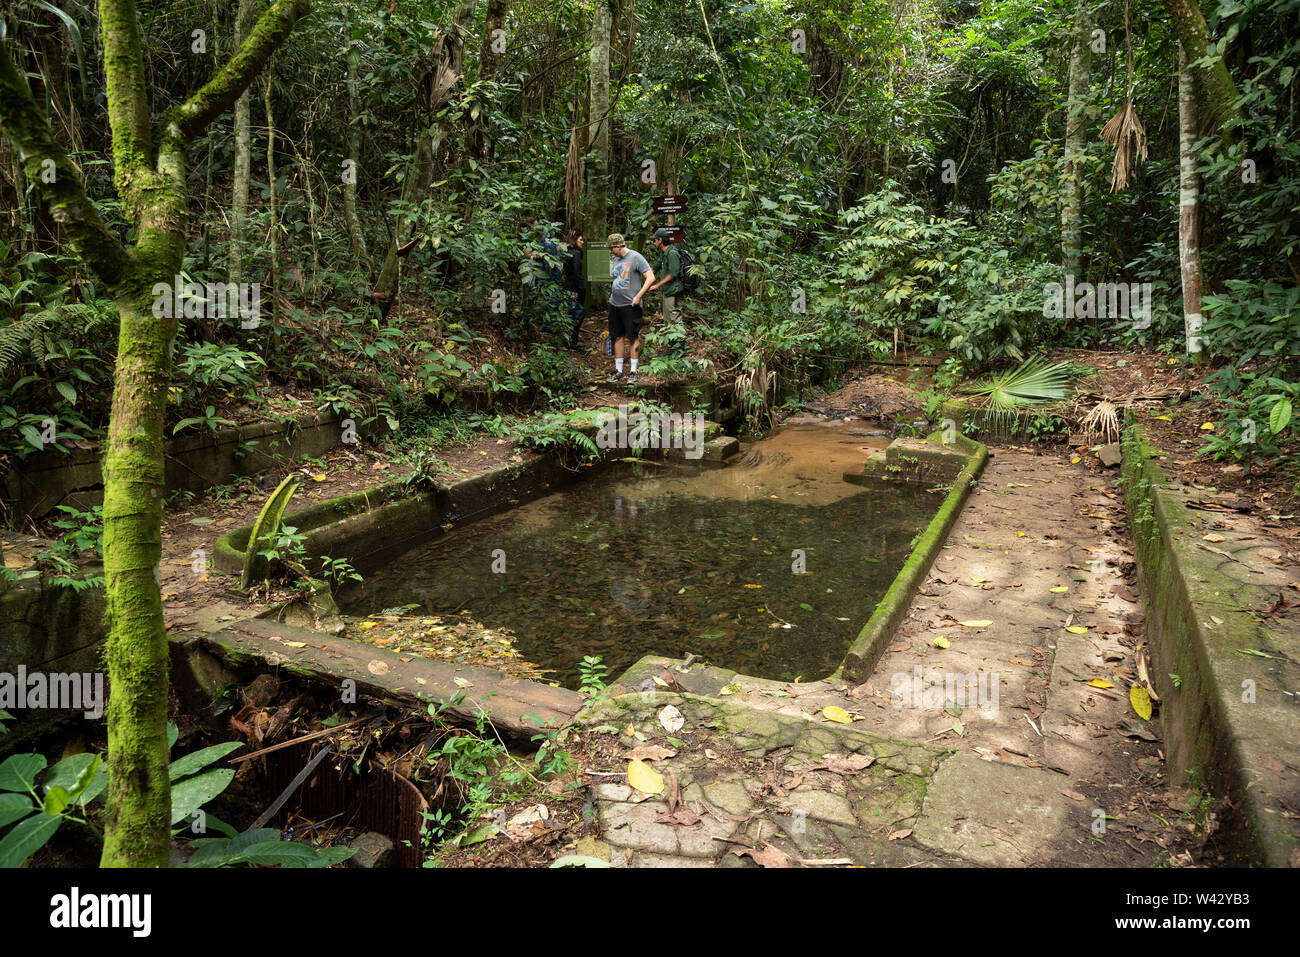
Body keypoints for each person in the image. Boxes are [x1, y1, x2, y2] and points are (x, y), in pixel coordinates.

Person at [605, 233, 654, 386]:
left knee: (633, 337)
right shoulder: (614, 259)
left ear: (619, 246)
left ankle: (633, 372)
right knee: (617, 336)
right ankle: (619, 371)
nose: (610, 251)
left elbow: (651, 277)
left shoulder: (635, 257)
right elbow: (615, 278)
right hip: (615, 304)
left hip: (630, 305)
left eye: (612, 248)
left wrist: (638, 296)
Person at [647, 228, 685, 327]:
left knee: (674, 317)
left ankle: (679, 341)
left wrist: (657, 285)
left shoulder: (672, 254)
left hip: (674, 290)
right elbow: (655, 267)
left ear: (660, 240)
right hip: (667, 290)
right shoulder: (664, 253)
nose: (653, 242)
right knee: (667, 319)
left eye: (654, 240)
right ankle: (671, 341)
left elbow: (673, 274)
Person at [563, 230, 586, 349]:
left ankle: (570, 339)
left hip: (569, 287)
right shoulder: (576, 254)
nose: (582, 242)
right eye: (580, 240)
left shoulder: (567, 253)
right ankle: (573, 341)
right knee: (578, 314)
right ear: (574, 241)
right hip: (576, 288)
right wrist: (577, 289)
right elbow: (576, 272)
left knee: (572, 314)